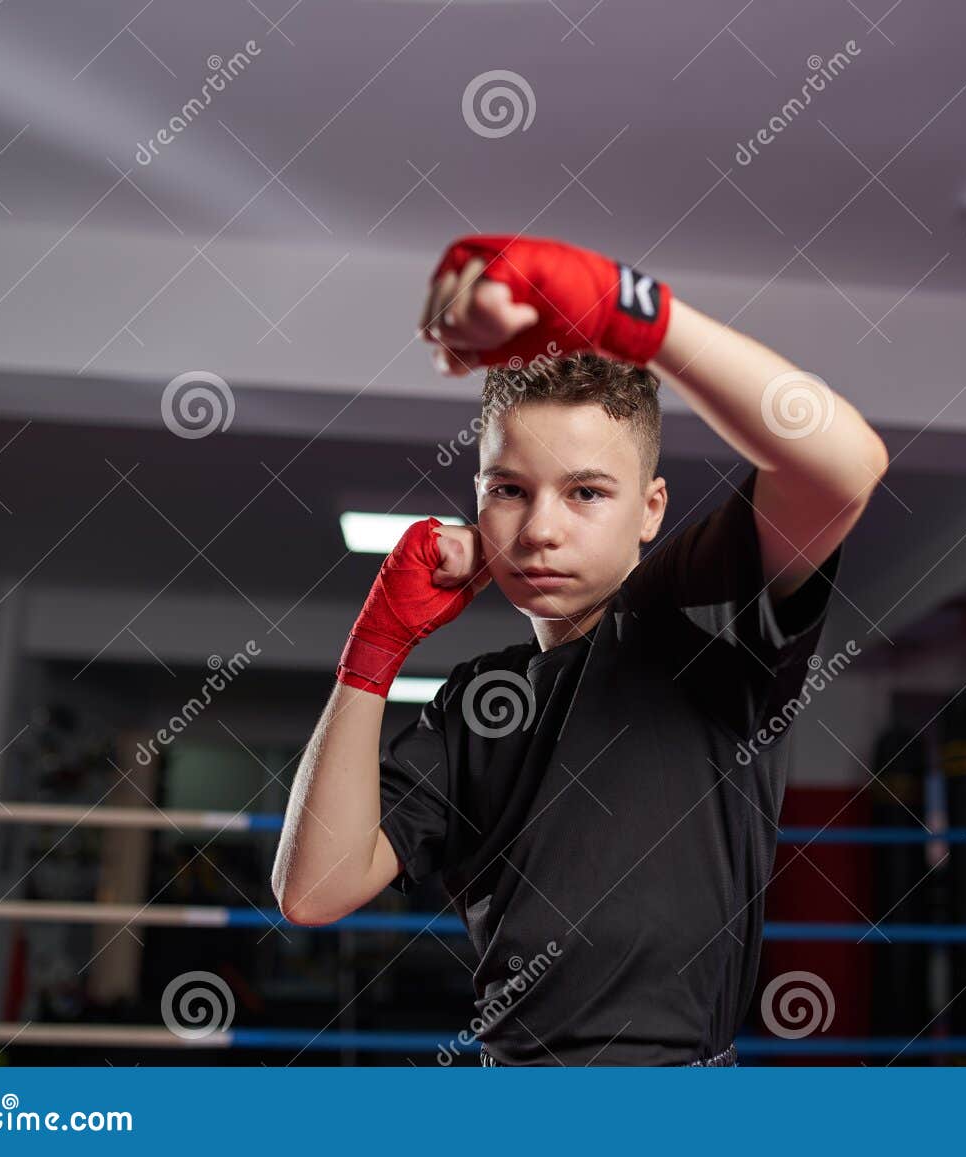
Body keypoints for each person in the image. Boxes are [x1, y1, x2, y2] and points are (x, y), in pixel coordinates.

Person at [271, 235, 889, 1065]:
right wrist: (374, 650)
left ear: (651, 508)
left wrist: (632, 313)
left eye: (587, 492)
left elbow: (846, 464)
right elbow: (314, 888)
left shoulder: (698, 621)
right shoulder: (474, 704)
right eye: (509, 491)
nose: (541, 529)